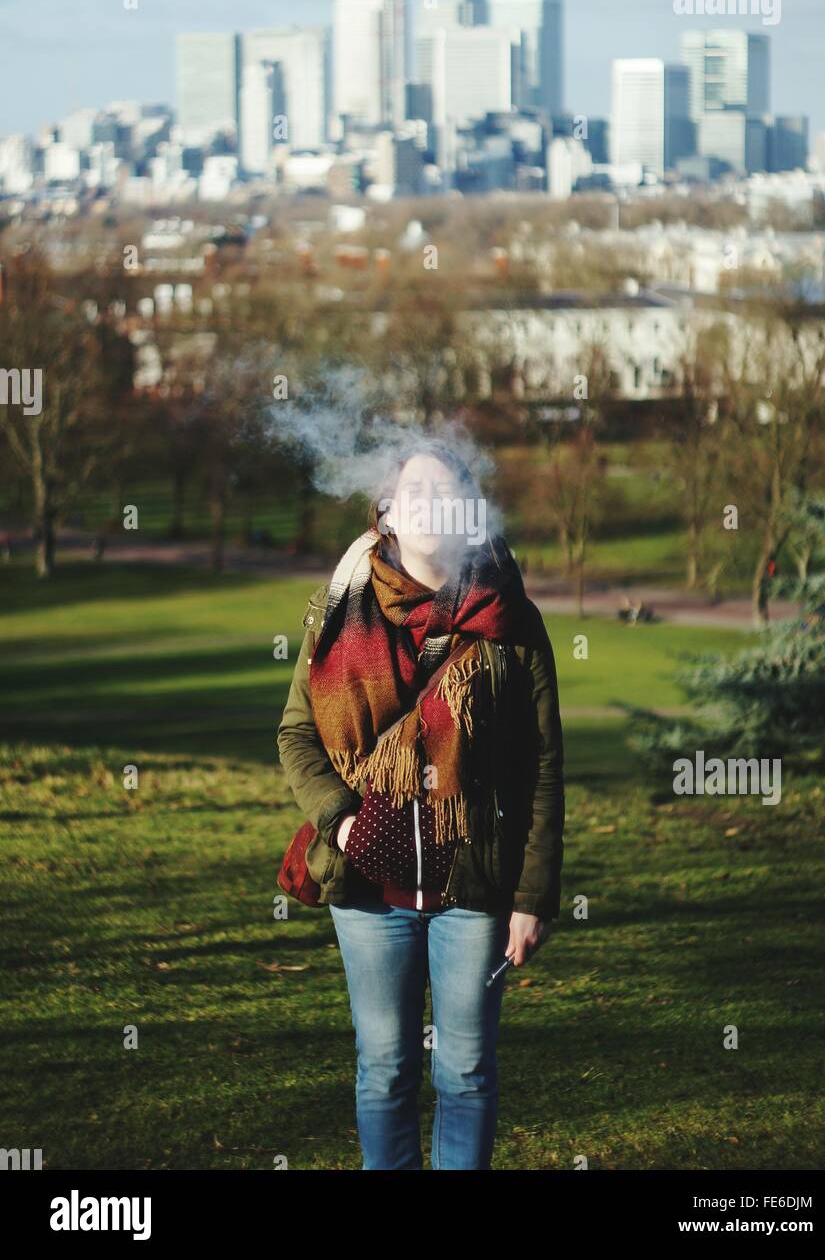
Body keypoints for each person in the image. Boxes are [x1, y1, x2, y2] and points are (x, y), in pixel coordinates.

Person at [277, 441, 565, 1170]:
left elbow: (542, 766)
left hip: (475, 882)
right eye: (415, 492)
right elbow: (297, 733)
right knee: (385, 1067)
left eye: (449, 491)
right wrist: (339, 820)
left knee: (464, 1072)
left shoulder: (514, 620)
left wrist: (532, 896)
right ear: (388, 513)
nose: (432, 505)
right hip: (369, 886)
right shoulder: (338, 610)